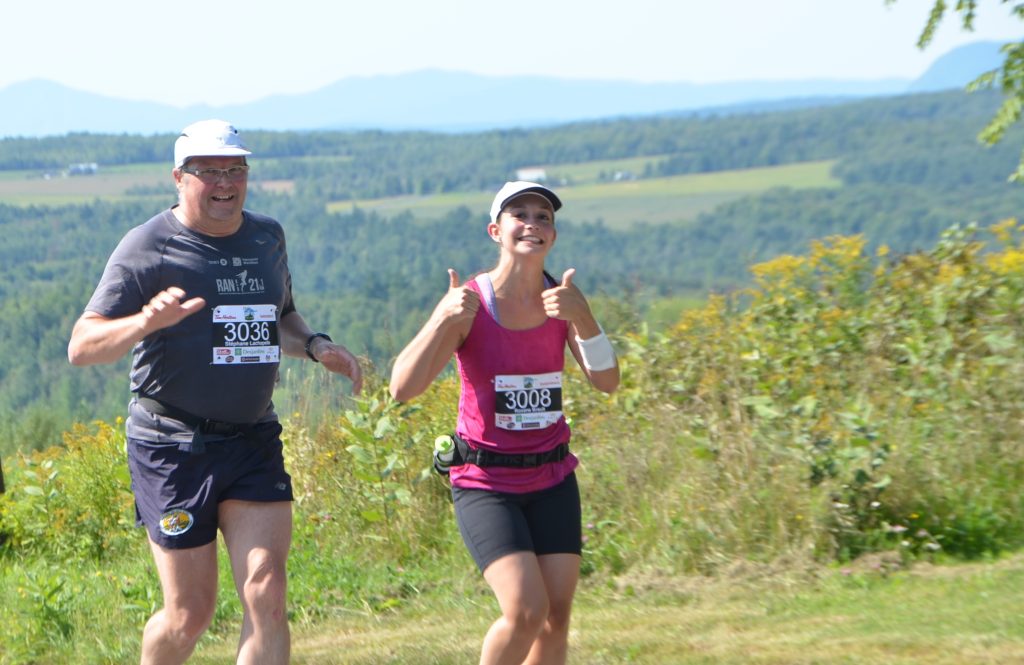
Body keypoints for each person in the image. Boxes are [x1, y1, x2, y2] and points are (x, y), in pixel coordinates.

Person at [67, 119, 363, 665]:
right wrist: (143, 323)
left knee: (267, 591)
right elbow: (82, 346)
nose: (225, 183)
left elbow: (281, 318)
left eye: (236, 170)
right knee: (189, 614)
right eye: (209, 172)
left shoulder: (267, 236)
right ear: (179, 178)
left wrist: (317, 345)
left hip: (252, 437)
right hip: (173, 444)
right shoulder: (148, 245)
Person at [389, 181, 619, 665]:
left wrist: (585, 317)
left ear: (553, 236)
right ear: (496, 230)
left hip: (553, 476)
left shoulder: (562, 301)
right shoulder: (469, 303)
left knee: (556, 617)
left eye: (544, 217)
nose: (532, 224)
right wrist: (440, 319)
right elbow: (402, 389)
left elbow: (607, 381)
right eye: (520, 215)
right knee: (524, 610)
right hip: (486, 480)